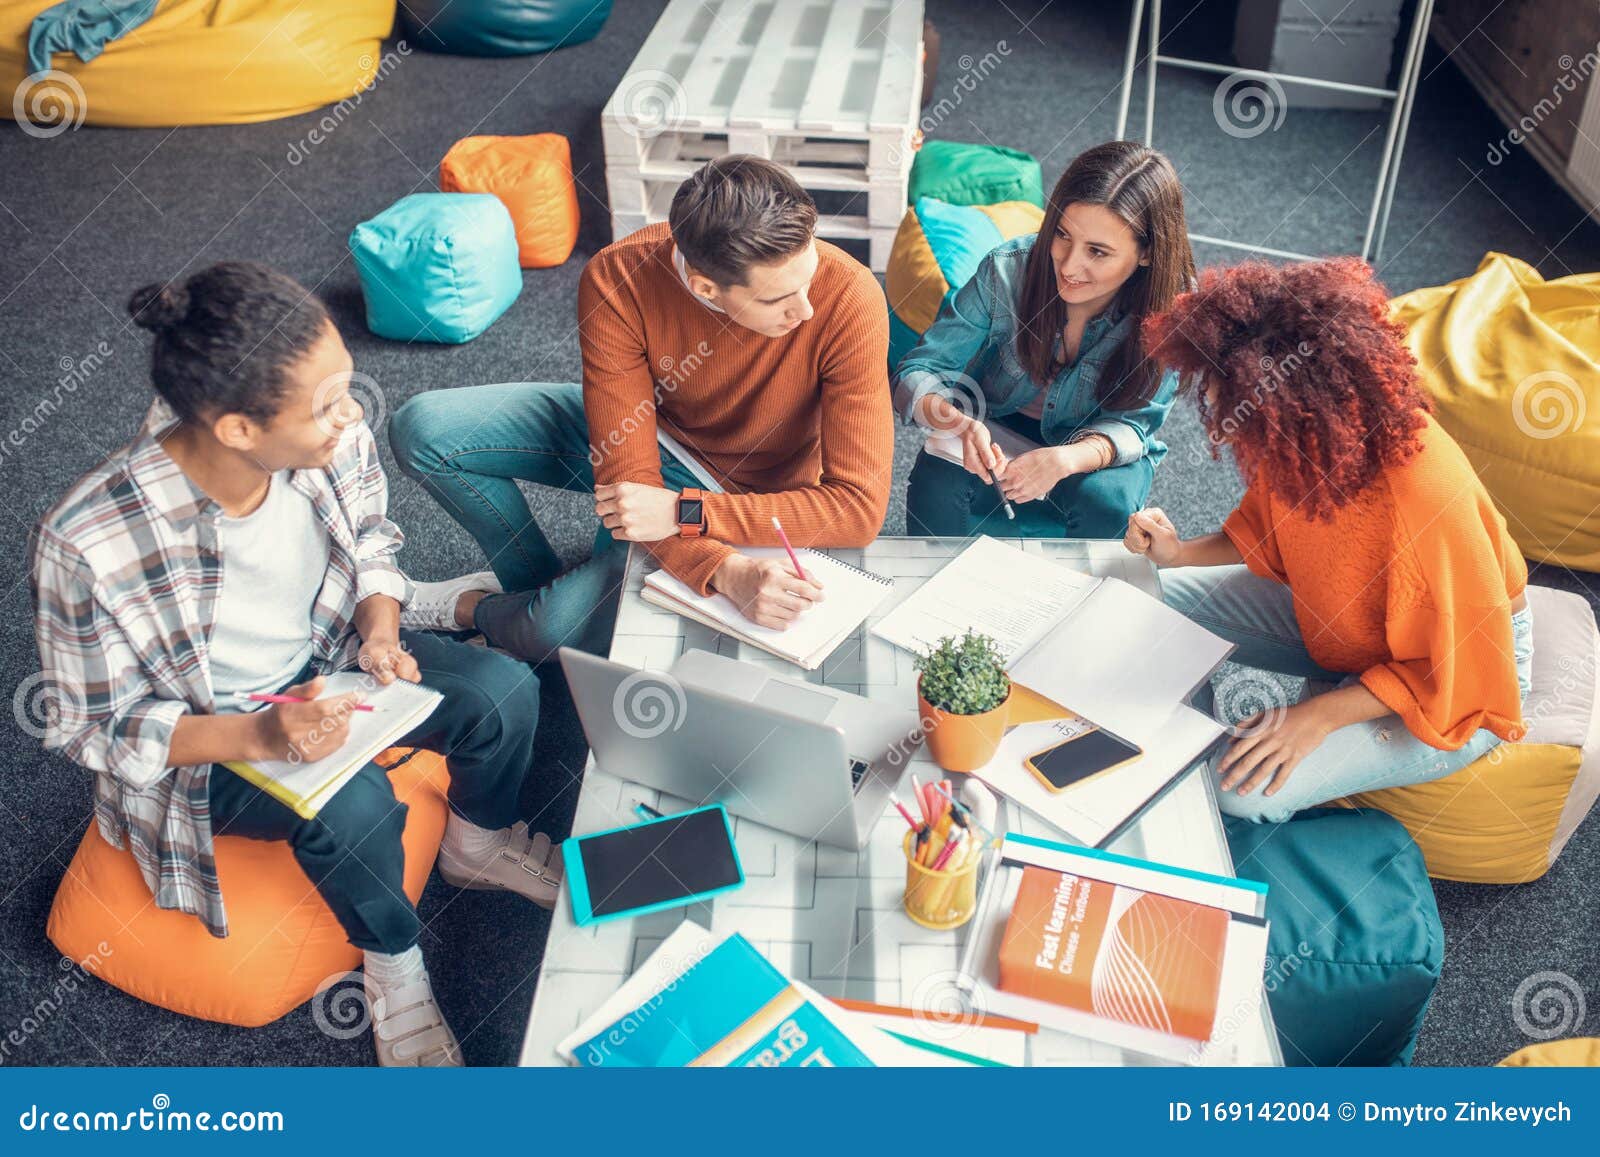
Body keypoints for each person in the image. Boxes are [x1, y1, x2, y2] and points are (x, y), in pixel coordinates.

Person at [30, 263, 564, 1067]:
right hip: (214, 742)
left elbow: (373, 543)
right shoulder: (86, 545)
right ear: (240, 428)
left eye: (346, 386)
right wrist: (263, 734)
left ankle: (475, 845)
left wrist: (380, 626)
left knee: (506, 692)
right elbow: (90, 728)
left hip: (329, 662)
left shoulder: (331, 437)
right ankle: (393, 967)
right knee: (355, 805)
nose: (353, 414)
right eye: (326, 404)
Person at [388, 154, 893, 655]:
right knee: (424, 430)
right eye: (776, 299)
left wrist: (692, 523)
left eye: (808, 277)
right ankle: (532, 586)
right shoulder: (618, 277)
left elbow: (857, 508)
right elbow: (628, 479)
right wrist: (714, 564)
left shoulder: (849, 297)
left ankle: (478, 610)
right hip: (648, 439)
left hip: (751, 497)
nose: (804, 309)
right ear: (705, 288)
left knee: (550, 631)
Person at [1126, 257, 1533, 823]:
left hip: (1461, 669)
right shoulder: (1298, 436)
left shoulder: (1423, 497)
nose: (1217, 413)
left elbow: (1459, 665)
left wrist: (1318, 716)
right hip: (1351, 626)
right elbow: (1266, 534)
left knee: (1236, 792)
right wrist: (1177, 554)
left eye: (1224, 394)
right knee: (1137, 597)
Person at [896, 140, 1194, 539]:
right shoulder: (1007, 270)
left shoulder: (1173, 312)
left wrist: (1066, 459)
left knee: (1107, 504)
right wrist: (956, 421)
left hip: (1094, 440)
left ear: (1146, 254)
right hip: (997, 421)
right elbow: (919, 370)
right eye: (1062, 235)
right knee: (936, 486)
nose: (1070, 266)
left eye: (1098, 252)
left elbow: (1134, 427)